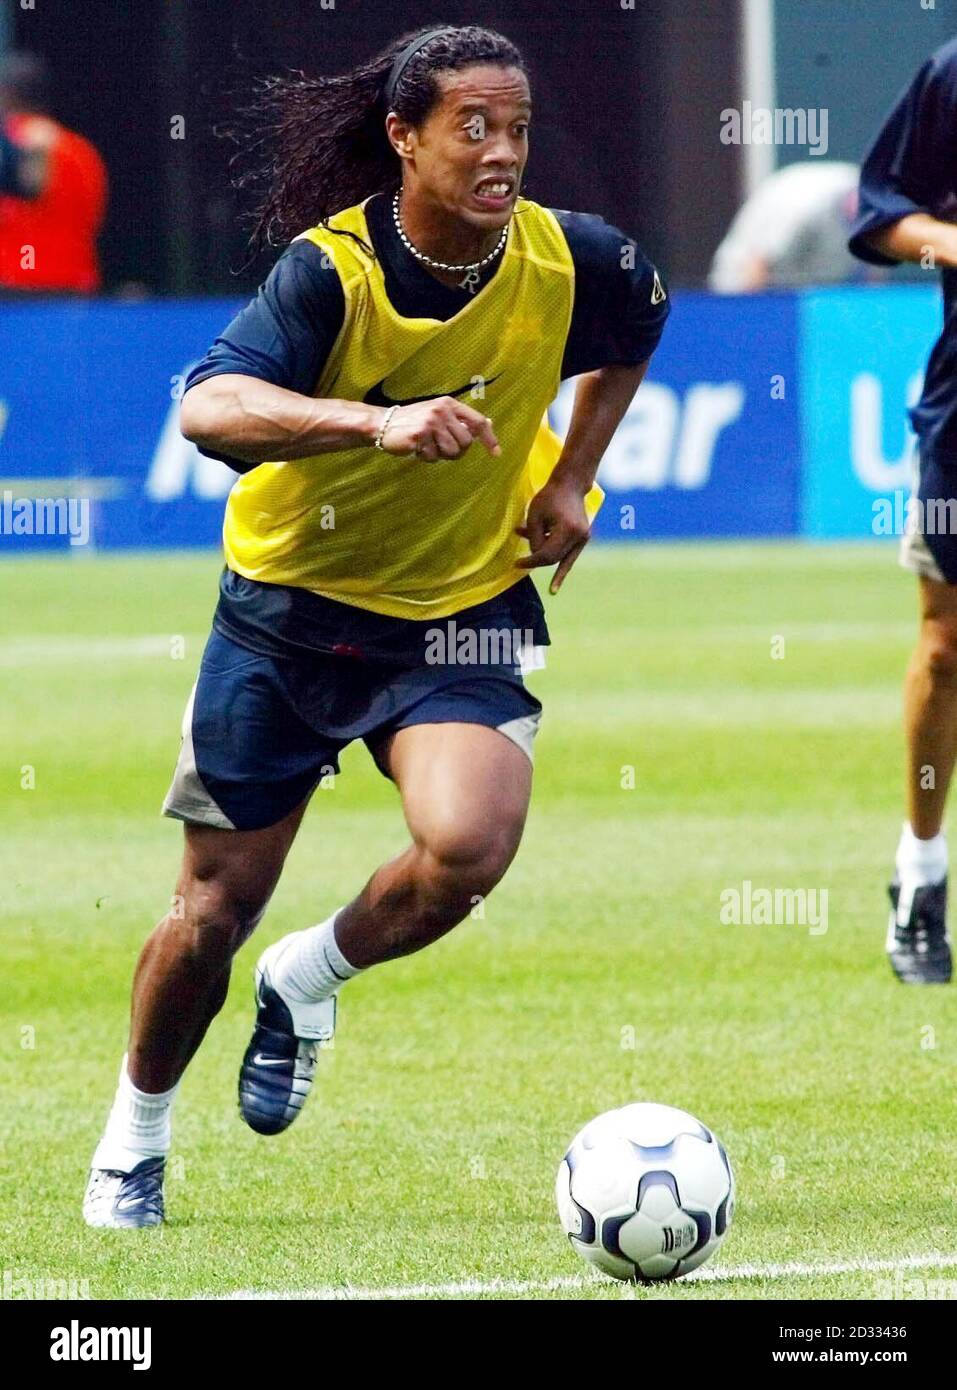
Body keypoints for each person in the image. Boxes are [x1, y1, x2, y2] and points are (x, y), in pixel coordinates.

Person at [83, 24, 670, 1227]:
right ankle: (132, 1137)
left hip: (455, 609)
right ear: (403, 139)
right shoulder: (330, 273)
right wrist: (373, 425)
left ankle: (312, 974)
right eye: (472, 128)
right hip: (288, 621)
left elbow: (638, 320)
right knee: (208, 918)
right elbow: (210, 410)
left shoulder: (574, 259)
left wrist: (572, 480)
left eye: (515, 128)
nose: (502, 152)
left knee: (469, 846)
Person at [848, 37, 957, 984]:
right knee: (945, 646)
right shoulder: (951, 72)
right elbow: (880, 211)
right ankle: (920, 875)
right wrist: (951, 242)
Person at [0, 50, 107, 293]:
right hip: (76, 292)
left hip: (13, 296)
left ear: (5, 95)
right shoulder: (81, 151)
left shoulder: (9, 143)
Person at [709, 160, 862, 292]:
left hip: (812, 295)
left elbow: (873, 279)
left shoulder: (874, 188)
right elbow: (757, 264)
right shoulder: (805, 208)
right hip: (743, 284)